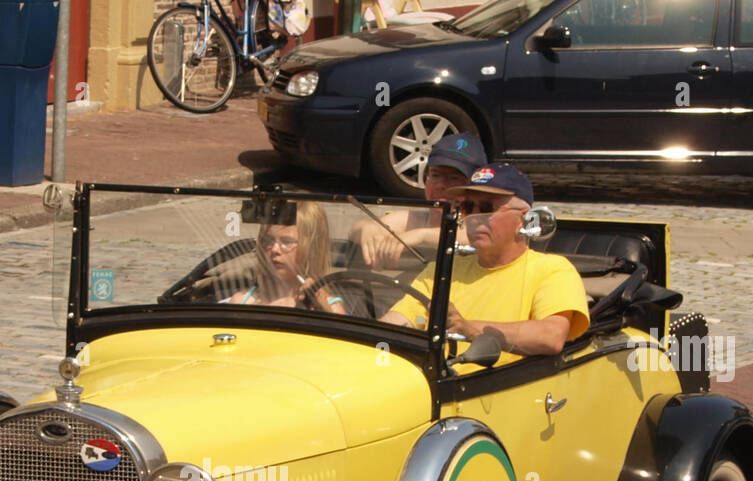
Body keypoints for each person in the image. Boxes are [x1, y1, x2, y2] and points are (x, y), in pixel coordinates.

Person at [382, 163, 589, 356]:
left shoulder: (552, 270)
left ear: (524, 218)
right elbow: (398, 322)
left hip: (503, 387)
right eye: (468, 207)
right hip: (434, 383)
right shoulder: (443, 269)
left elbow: (551, 336)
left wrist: (469, 329)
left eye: (487, 207)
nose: (474, 217)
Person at [348, 131, 488, 269]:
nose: (441, 185)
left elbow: (471, 238)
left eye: (454, 178)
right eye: (435, 175)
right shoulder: (415, 220)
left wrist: (422, 236)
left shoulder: (478, 225)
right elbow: (357, 229)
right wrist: (366, 229)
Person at [228, 201, 347, 313]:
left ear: (312, 249)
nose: (275, 249)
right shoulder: (241, 302)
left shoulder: (329, 308)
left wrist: (320, 305)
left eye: (287, 241)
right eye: (268, 240)